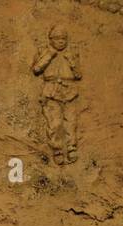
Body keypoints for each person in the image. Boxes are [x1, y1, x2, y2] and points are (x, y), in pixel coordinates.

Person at [32, 26, 81, 166]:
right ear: (51, 40)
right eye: (57, 39)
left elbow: (78, 75)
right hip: (51, 91)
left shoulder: (72, 53)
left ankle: (72, 147)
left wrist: (72, 62)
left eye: (63, 39)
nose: (61, 42)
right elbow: (36, 69)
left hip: (70, 91)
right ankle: (57, 150)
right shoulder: (44, 51)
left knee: (71, 122)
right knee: (55, 124)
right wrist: (49, 55)